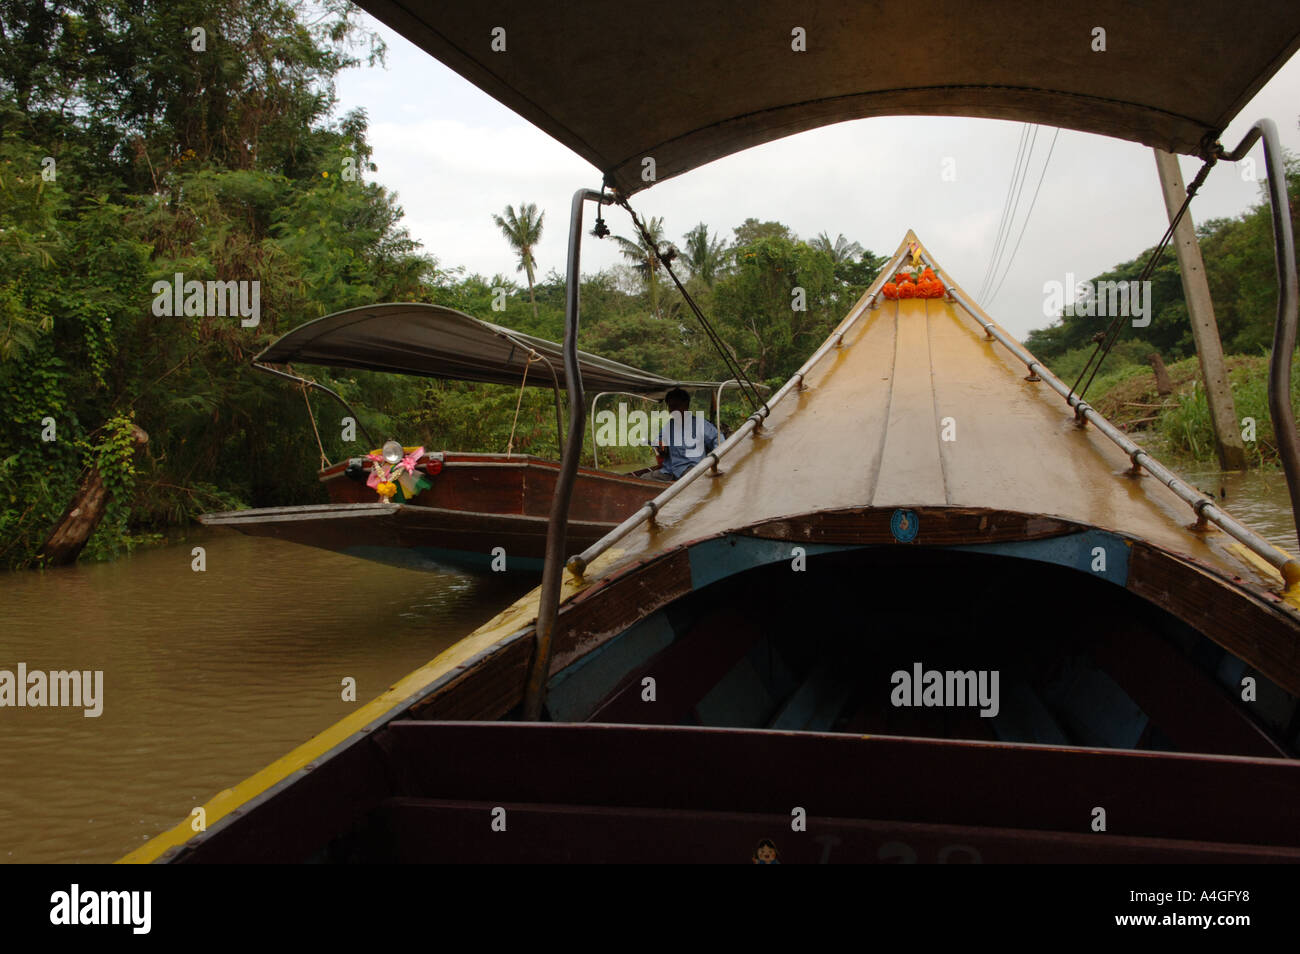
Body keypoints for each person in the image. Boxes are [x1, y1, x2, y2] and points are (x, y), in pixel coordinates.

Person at [648, 387, 719, 481]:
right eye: (670, 407)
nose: (672, 410)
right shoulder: (669, 425)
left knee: (692, 480)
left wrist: (713, 460)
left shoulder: (701, 424)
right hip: (669, 471)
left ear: (686, 405)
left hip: (692, 470)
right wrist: (660, 444)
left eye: (676, 406)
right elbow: (659, 440)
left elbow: (718, 440)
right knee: (643, 478)